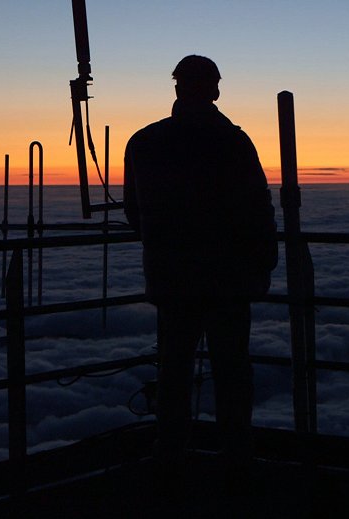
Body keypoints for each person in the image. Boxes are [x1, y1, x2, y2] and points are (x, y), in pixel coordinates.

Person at [123, 55, 277, 479]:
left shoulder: (144, 141)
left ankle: (169, 456)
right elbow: (255, 207)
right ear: (214, 90)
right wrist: (264, 259)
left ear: (177, 89)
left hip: (172, 279)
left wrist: (165, 249)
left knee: (173, 371)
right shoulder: (231, 140)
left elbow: (135, 211)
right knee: (231, 371)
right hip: (228, 278)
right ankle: (237, 459)